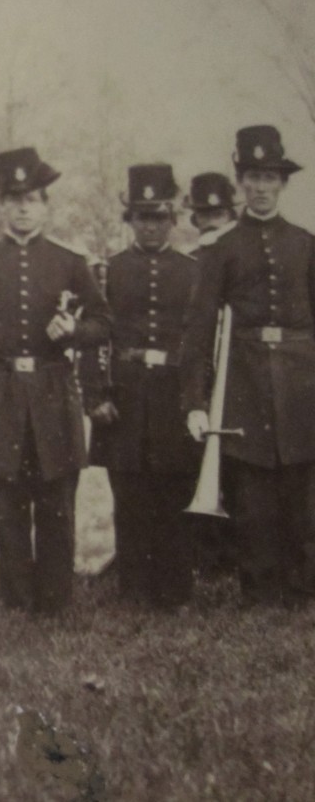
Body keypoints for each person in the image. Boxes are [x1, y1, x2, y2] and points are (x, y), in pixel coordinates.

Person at [0, 147, 111, 614]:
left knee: (58, 500)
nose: (24, 207)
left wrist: (75, 332)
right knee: (10, 503)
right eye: (15, 198)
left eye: (34, 198)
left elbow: (104, 323)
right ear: (1, 204)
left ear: (46, 205)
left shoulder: (70, 261)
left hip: (54, 394)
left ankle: (56, 600)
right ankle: (17, 601)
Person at [180, 125, 315, 607]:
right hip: (246, 383)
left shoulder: (305, 243)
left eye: (269, 177)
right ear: (241, 183)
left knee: (302, 491)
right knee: (254, 498)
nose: (260, 187)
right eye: (252, 177)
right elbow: (198, 333)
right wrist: (195, 402)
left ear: (283, 183)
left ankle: (303, 591)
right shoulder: (222, 248)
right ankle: (260, 593)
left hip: (303, 383)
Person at [85, 165, 199, 609]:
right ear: (129, 220)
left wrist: (197, 402)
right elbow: (94, 338)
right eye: (141, 217)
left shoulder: (194, 272)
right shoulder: (107, 271)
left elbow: (201, 343)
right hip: (124, 394)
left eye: (158, 216)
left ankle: (174, 590)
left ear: (173, 218)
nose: (150, 226)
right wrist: (95, 395)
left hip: (175, 395)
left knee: (174, 492)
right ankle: (133, 590)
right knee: (129, 495)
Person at [182, 171, 239, 577]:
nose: (211, 221)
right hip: (197, 375)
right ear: (193, 219)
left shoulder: (240, 258)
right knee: (195, 461)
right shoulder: (190, 266)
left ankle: (236, 553)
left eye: (218, 213)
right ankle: (206, 556)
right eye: (204, 214)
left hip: (238, 374)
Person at [183, 171, 238, 241]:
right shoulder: (195, 251)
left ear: (231, 216)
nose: (211, 222)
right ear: (195, 220)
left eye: (218, 215)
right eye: (203, 215)